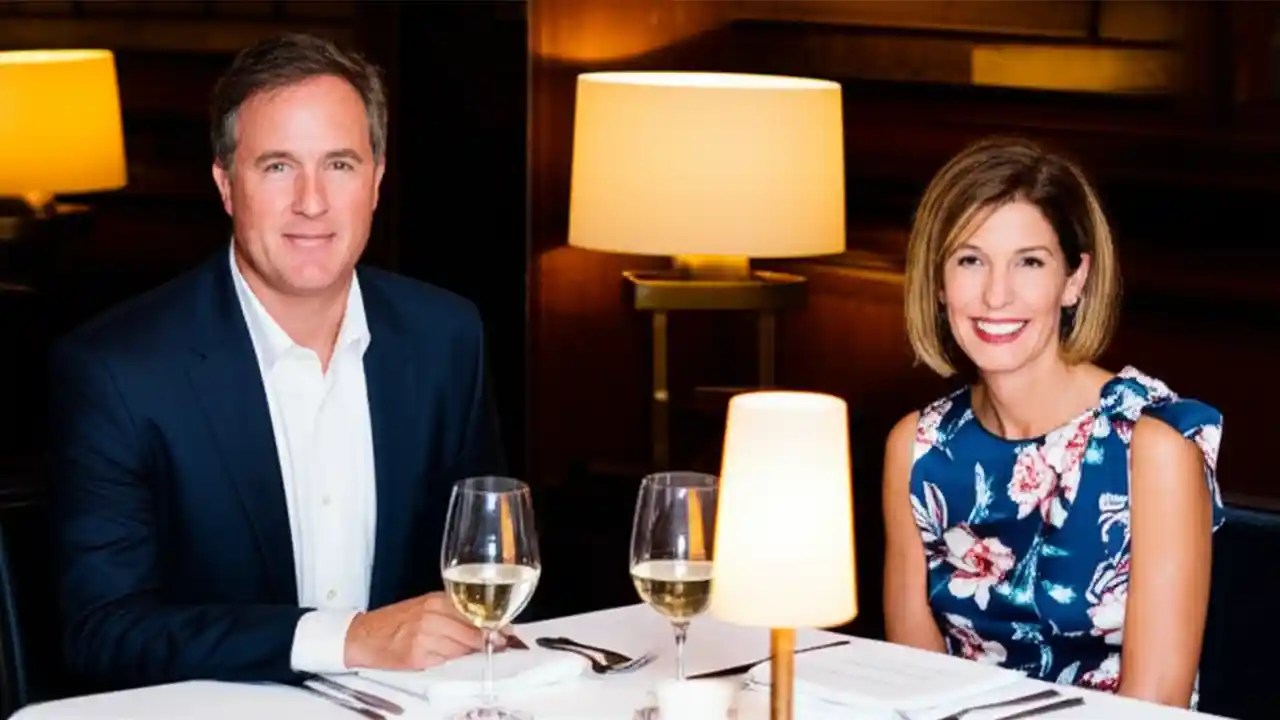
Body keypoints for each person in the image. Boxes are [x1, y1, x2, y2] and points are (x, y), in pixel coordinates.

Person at [49, 33, 506, 690]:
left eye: (340, 165)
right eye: (277, 166)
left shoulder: (445, 336)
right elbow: (103, 631)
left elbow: (482, 562)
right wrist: (346, 638)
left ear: (377, 181)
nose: (312, 202)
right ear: (226, 185)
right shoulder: (117, 370)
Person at [881, 137, 1223, 708]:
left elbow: (1153, 705)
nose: (996, 294)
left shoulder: (1151, 447)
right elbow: (916, 690)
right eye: (970, 260)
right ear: (939, 284)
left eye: (1030, 262)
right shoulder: (917, 450)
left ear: (1074, 280)